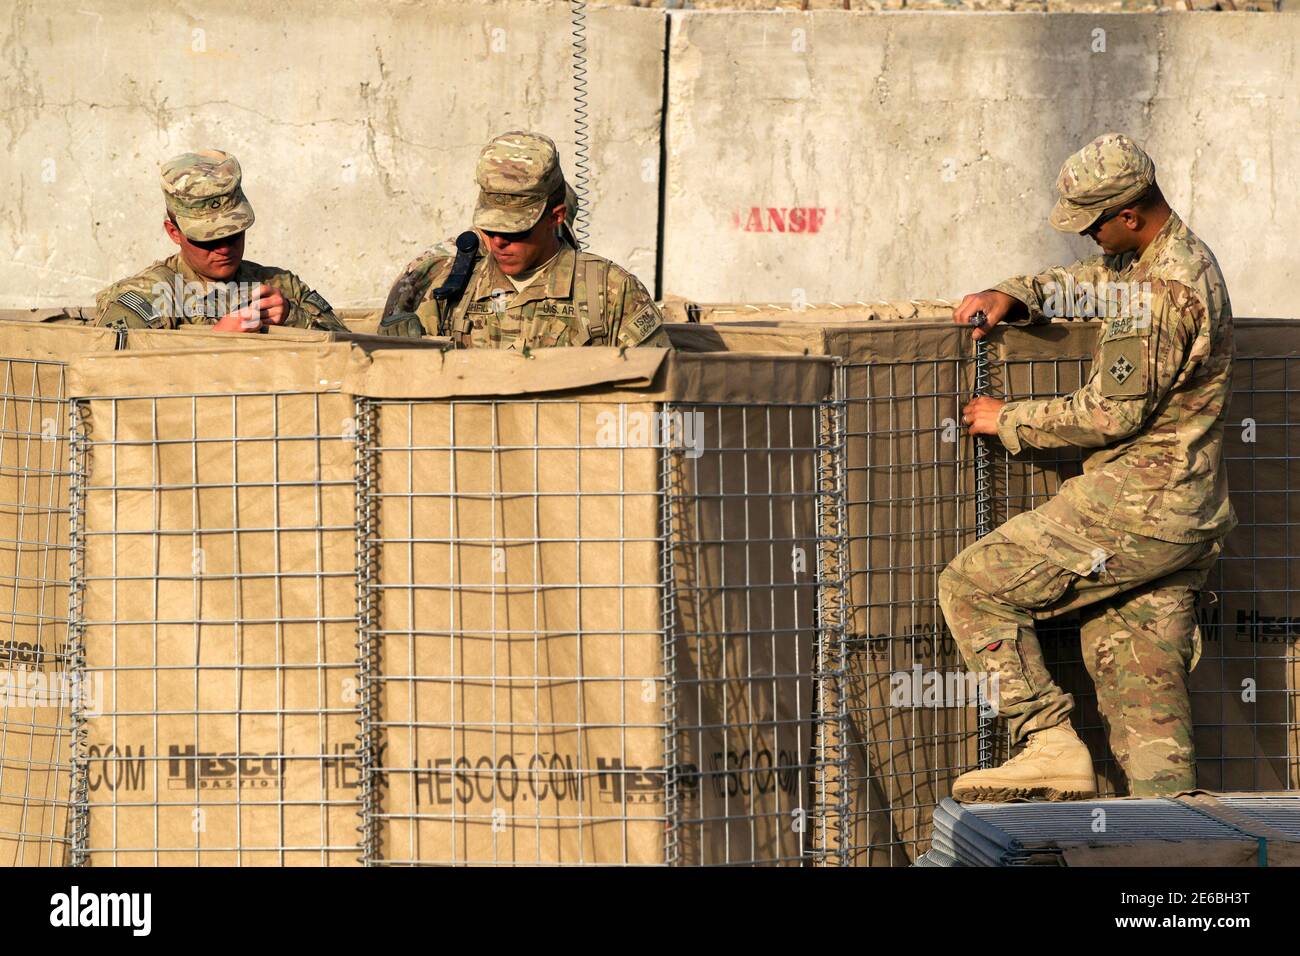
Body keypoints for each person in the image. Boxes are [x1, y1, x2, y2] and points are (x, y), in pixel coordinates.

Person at [941, 132, 1235, 801]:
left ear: (1130, 214)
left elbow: (1110, 415)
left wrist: (1006, 419)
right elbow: (1088, 285)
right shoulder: (1155, 259)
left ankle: (1046, 742)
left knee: (972, 587)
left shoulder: (1164, 291)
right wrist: (1014, 292)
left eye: (1094, 225)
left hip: (1136, 511)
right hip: (1183, 517)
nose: (1089, 239)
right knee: (1144, 695)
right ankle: (1173, 855)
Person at [378, 130, 670, 349]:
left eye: (515, 231)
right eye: (490, 231)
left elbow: (654, 394)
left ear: (556, 216)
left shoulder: (611, 291)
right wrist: (404, 349)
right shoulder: (453, 286)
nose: (498, 243)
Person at [94, 149, 345, 333]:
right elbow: (112, 377)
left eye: (234, 234)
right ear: (174, 233)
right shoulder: (147, 295)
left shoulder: (279, 286)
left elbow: (355, 354)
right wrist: (214, 345)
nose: (224, 248)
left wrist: (294, 317)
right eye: (207, 239)